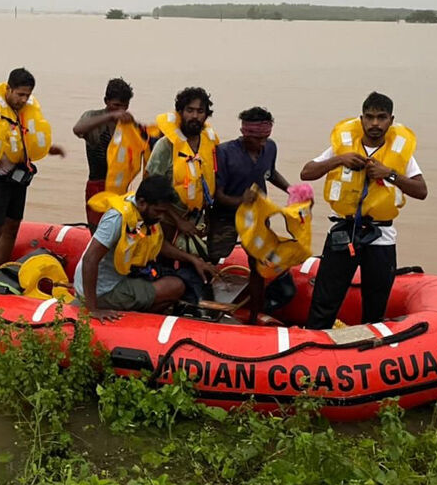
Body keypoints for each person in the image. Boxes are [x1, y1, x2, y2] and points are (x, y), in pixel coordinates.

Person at [299, 91, 427, 329]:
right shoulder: (343, 146)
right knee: (325, 298)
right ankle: (315, 345)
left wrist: (389, 174)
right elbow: (307, 172)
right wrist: (339, 160)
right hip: (343, 233)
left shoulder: (400, 153)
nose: (375, 123)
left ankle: (369, 353)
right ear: (361, 119)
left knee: (376, 302)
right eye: (369, 117)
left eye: (381, 117)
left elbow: (421, 190)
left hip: (381, 237)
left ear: (391, 119)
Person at [75, 175, 215, 320]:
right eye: (158, 211)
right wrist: (92, 309)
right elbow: (90, 259)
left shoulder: (144, 214)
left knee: (173, 281)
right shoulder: (117, 219)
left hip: (121, 276)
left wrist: (193, 260)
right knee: (176, 287)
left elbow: (158, 245)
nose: (161, 217)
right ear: (142, 203)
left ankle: (138, 311)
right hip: (103, 290)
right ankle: (136, 319)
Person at [0, 68, 65, 277]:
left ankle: (1, 272)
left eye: (27, 95)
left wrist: (49, 149)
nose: (24, 100)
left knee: (13, 226)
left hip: (17, 178)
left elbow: (27, 138)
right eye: (20, 95)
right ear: (8, 89)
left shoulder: (26, 109)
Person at [209, 107, 291, 314]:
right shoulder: (224, 152)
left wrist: (291, 190)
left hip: (257, 217)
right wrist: (241, 200)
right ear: (245, 133)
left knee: (258, 265)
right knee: (212, 257)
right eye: (258, 138)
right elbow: (218, 195)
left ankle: (255, 313)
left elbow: (270, 173)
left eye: (266, 137)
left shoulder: (270, 148)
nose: (262, 143)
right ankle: (201, 305)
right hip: (226, 216)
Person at [145, 87, 220, 301]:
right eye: (189, 110)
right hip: (167, 221)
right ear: (180, 112)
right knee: (163, 268)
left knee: (196, 270)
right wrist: (178, 221)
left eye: (200, 111)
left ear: (206, 114)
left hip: (197, 219)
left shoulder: (210, 144)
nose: (194, 116)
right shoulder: (165, 146)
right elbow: (150, 188)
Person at [73, 78, 135, 232]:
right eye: (116, 105)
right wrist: (109, 117)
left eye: (124, 106)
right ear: (106, 101)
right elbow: (78, 129)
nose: (120, 110)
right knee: (98, 230)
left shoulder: (128, 124)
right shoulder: (92, 117)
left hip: (120, 188)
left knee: (119, 230)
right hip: (97, 185)